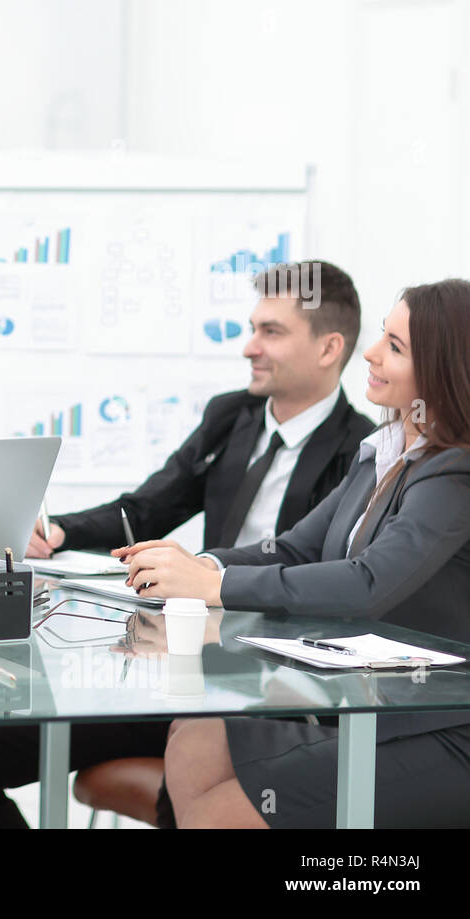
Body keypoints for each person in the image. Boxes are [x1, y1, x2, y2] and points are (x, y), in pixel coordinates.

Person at [0, 260, 376, 828]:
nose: (249, 347)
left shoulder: (361, 451)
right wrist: (61, 530)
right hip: (185, 662)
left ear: (329, 349)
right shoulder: (233, 417)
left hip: (275, 689)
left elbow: (327, 578)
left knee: (195, 789)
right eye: (252, 328)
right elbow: (151, 507)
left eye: (271, 331)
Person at [122, 279, 470, 828]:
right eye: (383, 334)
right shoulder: (385, 451)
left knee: (216, 814)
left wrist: (213, 588)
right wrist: (198, 566)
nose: (372, 353)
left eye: (396, 347)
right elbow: (291, 549)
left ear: (445, 373)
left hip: (440, 726)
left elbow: (367, 582)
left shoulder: (454, 471)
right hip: (368, 705)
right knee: (196, 735)